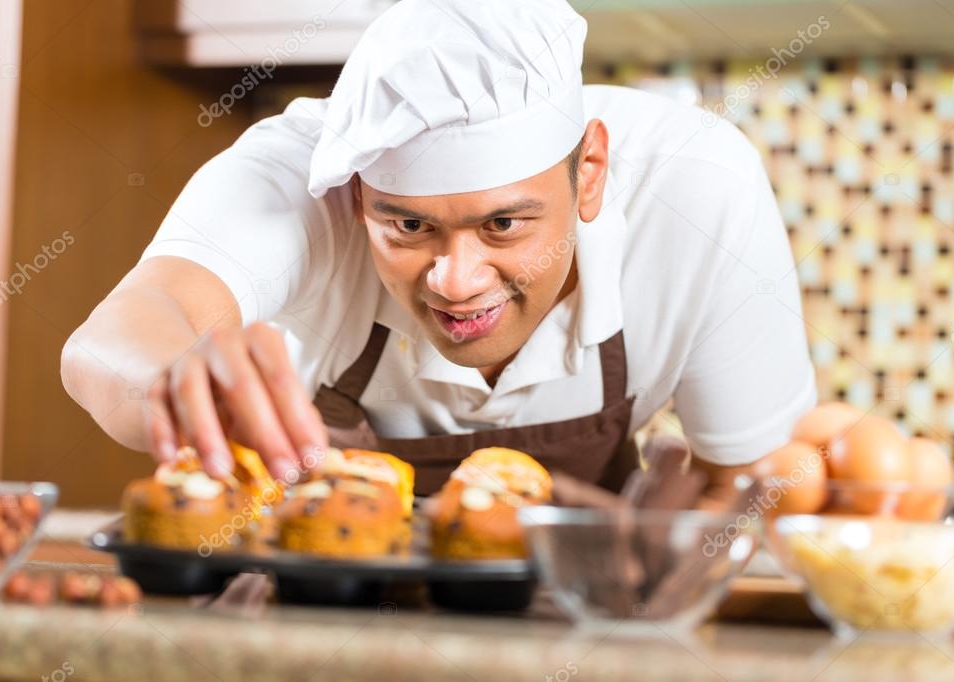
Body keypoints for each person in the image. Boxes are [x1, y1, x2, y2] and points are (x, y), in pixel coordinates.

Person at [61, 0, 816, 496]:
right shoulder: (293, 176)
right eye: (408, 227)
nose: (455, 283)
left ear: (588, 173)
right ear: (358, 195)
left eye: (503, 225)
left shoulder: (696, 185)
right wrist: (173, 376)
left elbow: (749, 485)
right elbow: (109, 341)